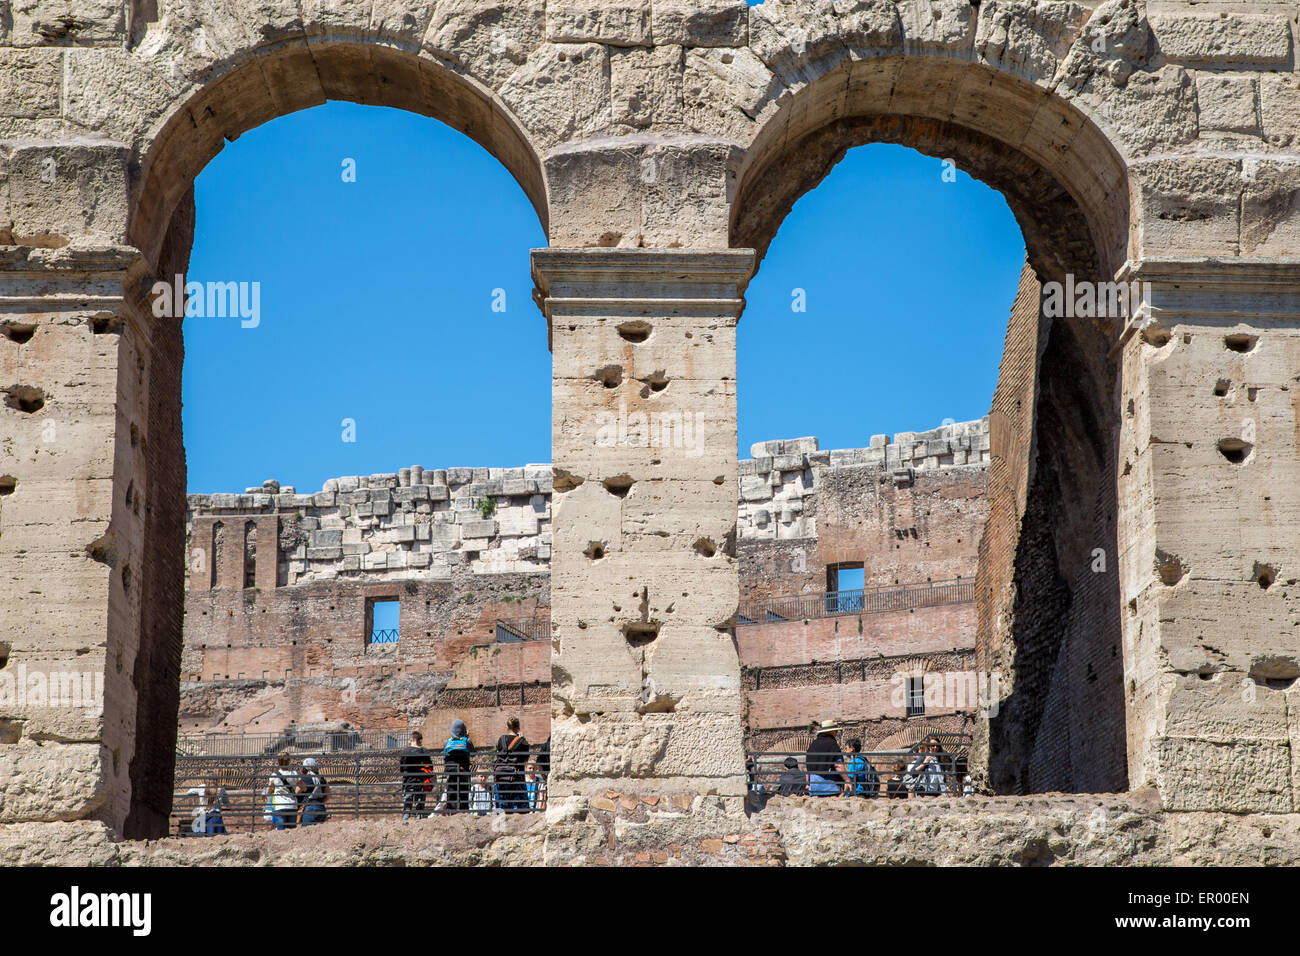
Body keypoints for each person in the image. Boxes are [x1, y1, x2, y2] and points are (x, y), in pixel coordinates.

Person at [494, 716, 530, 813]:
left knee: (505, 807)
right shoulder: (522, 742)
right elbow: (526, 759)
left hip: (502, 777)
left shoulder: (501, 739)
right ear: (518, 727)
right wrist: (522, 739)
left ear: (507, 727)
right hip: (516, 776)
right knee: (522, 807)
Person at [805, 720, 848, 796]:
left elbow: (808, 768)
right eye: (835, 731)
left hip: (814, 789)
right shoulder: (832, 745)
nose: (836, 733)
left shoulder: (813, 745)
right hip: (830, 788)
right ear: (831, 732)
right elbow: (838, 765)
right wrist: (847, 780)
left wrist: (808, 784)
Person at [400, 731, 434, 819]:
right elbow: (430, 767)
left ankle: (405, 819)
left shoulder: (405, 751)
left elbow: (402, 768)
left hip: (408, 781)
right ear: (420, 740)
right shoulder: (424, 751)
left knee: (407, 804)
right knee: (420, 806)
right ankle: (419, 819)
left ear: (411, 739)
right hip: (421, 781)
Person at [443, 719, 474, 813]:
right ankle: (463, 811)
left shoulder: (447, 742)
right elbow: (473, 753)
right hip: (463, 770)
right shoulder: (467, 741)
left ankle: (451, 811)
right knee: (464, 791)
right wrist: (466, 737)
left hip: (451, 770)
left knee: (451, 790)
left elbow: (445, 756)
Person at [265, 753, 300, 830]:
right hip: (292, 805)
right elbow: (303, 786)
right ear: (289, 761)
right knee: (292, 831)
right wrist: (295, 793)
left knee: (281, 831)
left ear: (278, 761)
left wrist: (267, 794)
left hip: (280, 806)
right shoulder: (294, 773)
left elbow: (269, 791)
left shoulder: (274, 775)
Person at [298, 757, 329, 825]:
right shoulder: (322, 780)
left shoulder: (307, 779)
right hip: (321, 808)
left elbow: (296, 791)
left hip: (310, 808)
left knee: (307, 830)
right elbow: (328, 795)